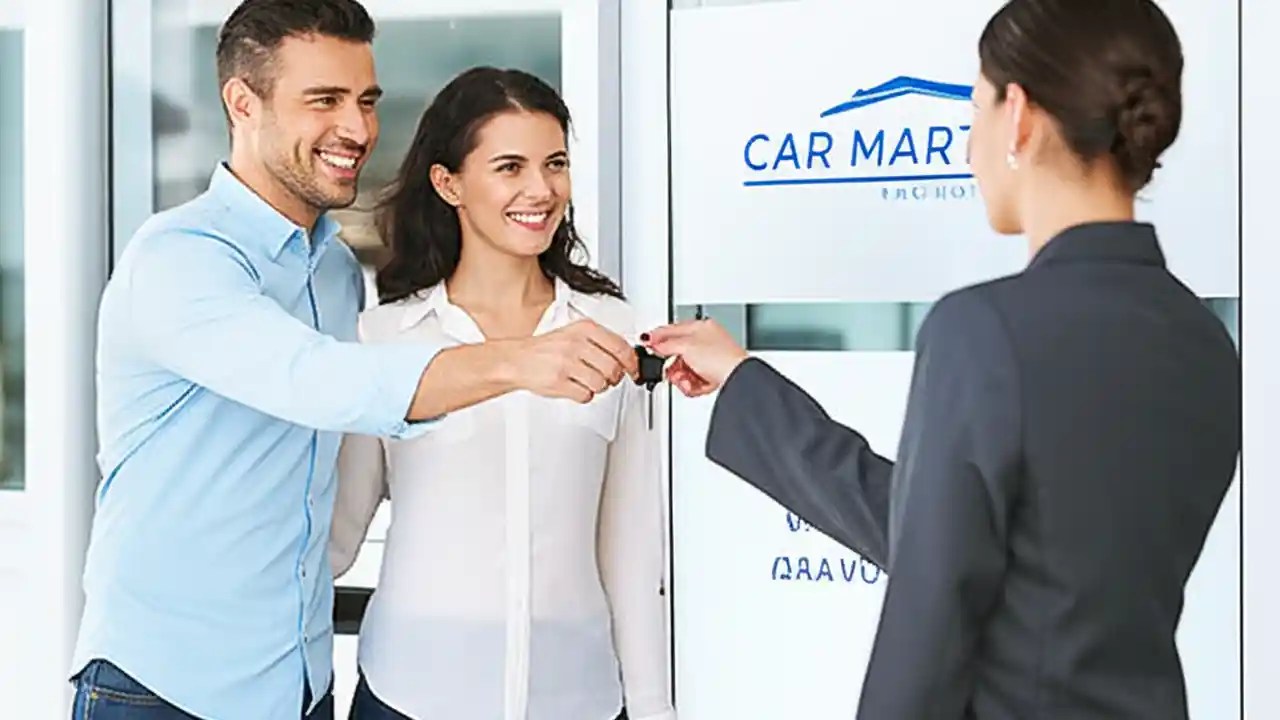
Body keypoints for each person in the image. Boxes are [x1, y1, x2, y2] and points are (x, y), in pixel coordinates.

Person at [643, 0, 1241, 718]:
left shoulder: (986, 330)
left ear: (1017, 113)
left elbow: (925, 625)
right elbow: (961, 541)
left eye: (975, 108)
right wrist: (744, 383)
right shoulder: (1205, 345)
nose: (967, 146)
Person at [71, 3, 639, 719]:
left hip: (299, 685)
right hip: (165, 689)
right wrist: (519, 360)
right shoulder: (179, 261)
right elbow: (317, 382)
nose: (358, 128)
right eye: (325, 100)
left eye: (365, 100)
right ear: (242, 103)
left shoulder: (335, 272)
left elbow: (329, 510)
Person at [329, 67, 674, 720]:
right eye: (509, 167)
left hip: (579, 702)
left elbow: (630, 546)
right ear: (448, 182)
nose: (540, 190)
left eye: (555, 164)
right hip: (410, 697)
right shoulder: (383, 340)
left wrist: (654, 708)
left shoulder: (615, 331)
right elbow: (336, 539)